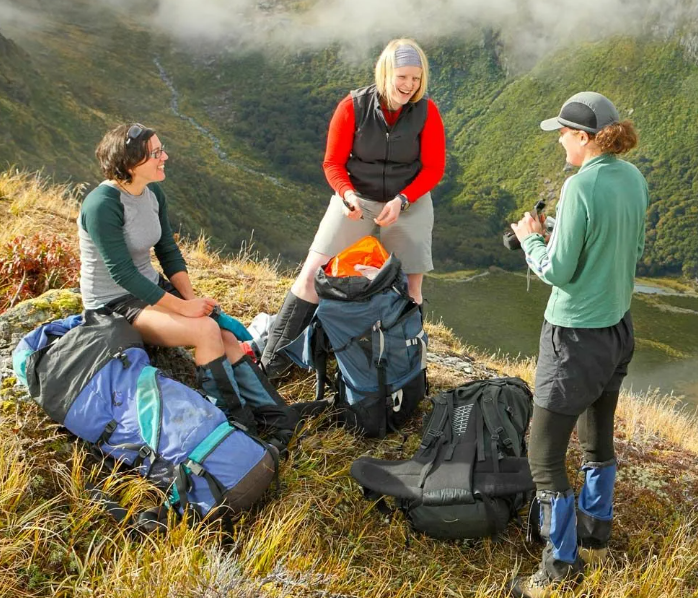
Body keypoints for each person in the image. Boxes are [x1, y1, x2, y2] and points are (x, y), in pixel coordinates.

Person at [507, 92, 648, 598]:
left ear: (585, 138)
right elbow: (628, 249)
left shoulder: (580, 186)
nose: (560, 140)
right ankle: (595, 532)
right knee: (596, 436)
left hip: (573, 338)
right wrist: (558, 233)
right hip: (616, 330)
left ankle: (559, 567)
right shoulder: (632, 179)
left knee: (543, 453)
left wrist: (531, 239)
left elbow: (558, 272)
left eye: (564, 132)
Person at [79, 123, 290, 441]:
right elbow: (122, 273)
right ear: (131, 162)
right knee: (205, 332)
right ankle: (237, 425)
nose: (165, 156)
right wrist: (183, 308)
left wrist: (192, 301)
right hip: (113, 303)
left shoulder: (152, 193)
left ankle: (274, 417)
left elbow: (167, 249)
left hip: (148, 287)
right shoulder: (102, 206)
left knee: (226, 337)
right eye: (156, 153)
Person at [258, 38, 445, 375]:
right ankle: (274, 360)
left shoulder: (426, 112)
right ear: (386, 72)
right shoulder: (353, 106)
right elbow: (333, 163)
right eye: (402, 77)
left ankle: (404, 367)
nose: (409, 85)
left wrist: (402, 200)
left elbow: (433, 168)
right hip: (356, 199)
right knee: (311, 276)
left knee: (410, 287)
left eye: (416, 79)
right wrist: (346, 194)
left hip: (409, 201)